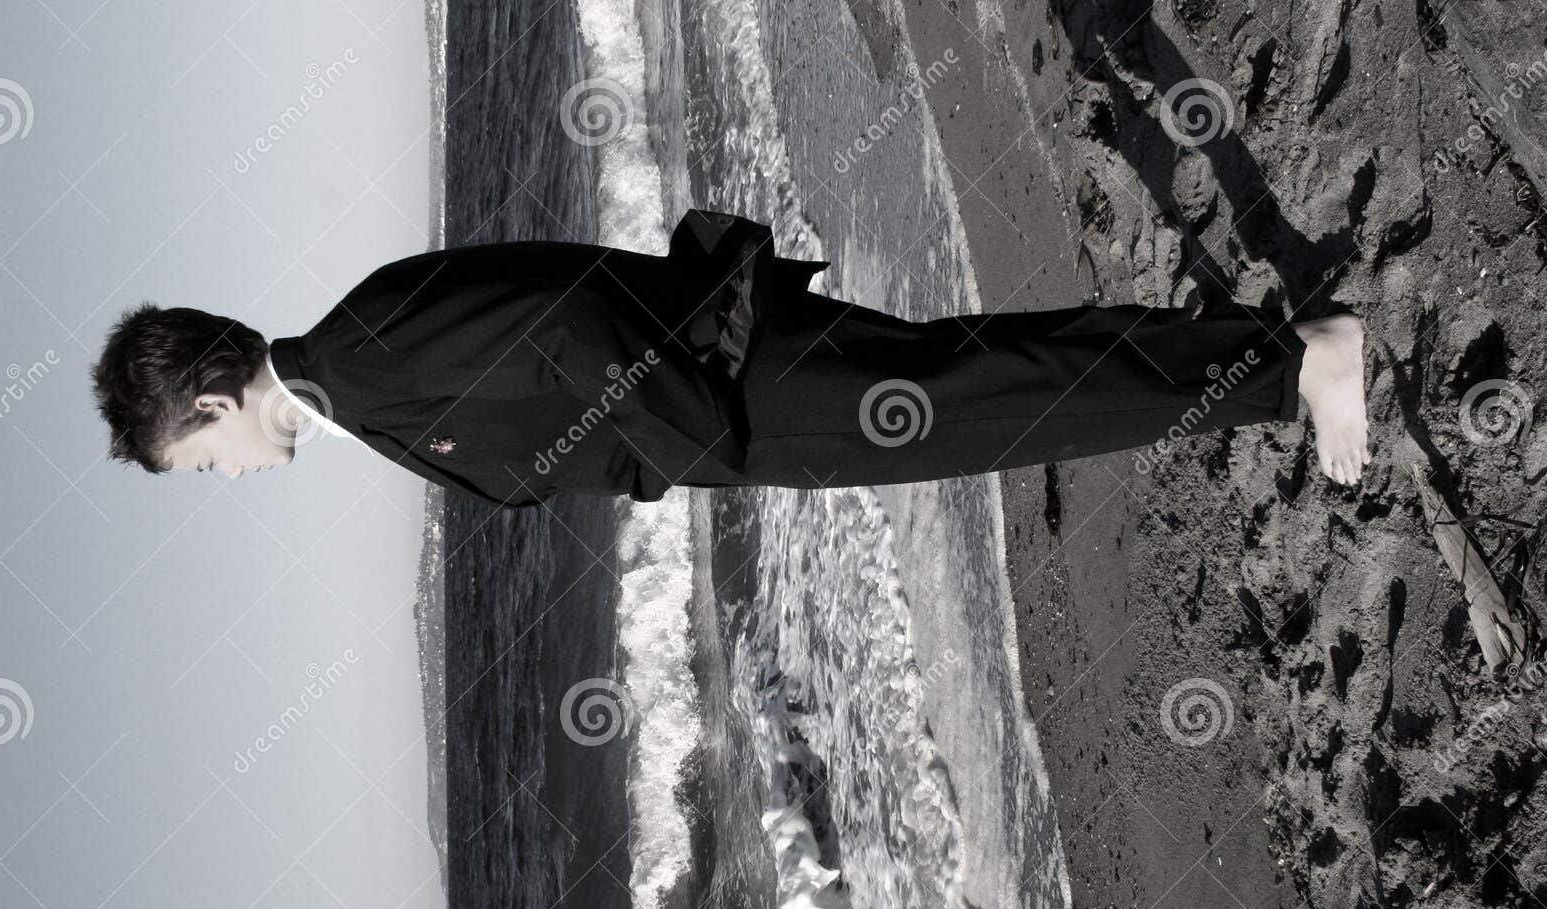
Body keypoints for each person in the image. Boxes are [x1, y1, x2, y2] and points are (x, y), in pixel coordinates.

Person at [89, 210, 1369, 509]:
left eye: (197, 455)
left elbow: (573, 321)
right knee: (995, 378)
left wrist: (696, 432)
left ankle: (1294, 363)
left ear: (211, 400)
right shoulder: (352, 373)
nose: (222, 476)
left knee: (1007, 399)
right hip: (747, 383)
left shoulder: (365, 354)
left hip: (751, 389)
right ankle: (1273, 360)